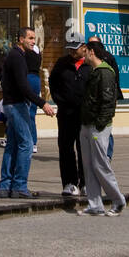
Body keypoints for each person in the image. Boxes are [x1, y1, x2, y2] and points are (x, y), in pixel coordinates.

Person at [0, 27, 57, 199]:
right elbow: (23, 87)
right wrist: (43, 103)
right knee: (26, 144)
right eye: (30, 38)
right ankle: (19, 186)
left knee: (12, 144)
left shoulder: (15, 56)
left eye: (34, 38)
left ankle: (5, 186)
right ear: (21, 39)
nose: (33, 41)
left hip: (12, 103)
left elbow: (2, 74)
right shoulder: (17, 57)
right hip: (16, 105)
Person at [76, 43, 126, 217]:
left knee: (100, 165)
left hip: (97, 126)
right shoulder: (94, 72)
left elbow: (107, 102)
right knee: (88, 166)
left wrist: (99, 123)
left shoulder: (105, 72)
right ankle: (94, 204)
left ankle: (118, 200)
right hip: (87, 124)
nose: (83, 55)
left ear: (91, 52)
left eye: (85, 52)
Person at [49, 30, 90, 195]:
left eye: (76, 48)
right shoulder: (62, 63)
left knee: (84, 149)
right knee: (66, 148)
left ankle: (86, 183)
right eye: (70, 49)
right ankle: (69, 183)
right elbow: (53, 84)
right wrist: (61, 100)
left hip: (85, 115)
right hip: (66, 114)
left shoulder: (90, 64)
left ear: (84, 47)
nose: (72, 52)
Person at [86, 37, 122, 159]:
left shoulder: (106, 64)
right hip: (91, 115)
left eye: (93, 44)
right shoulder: (89, 65)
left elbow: (113, 82)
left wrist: (100, 123)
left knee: (105, 132)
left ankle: (107, 154)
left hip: (100, 116)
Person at [25, 38, 42, 153]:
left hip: (28, 78)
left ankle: (29, 140)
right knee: (32, 112)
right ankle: (33, 140)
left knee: (25, 111)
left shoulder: (26, 53)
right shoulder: (38, 54)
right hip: (36, 79)